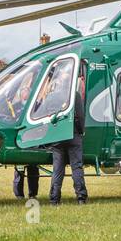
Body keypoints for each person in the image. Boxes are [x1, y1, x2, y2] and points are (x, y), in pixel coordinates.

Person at [49, 66, 88, 205]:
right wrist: (80, 131)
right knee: (76, 167)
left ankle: (54, 198)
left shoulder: (52, 96)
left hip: (58, 137)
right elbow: (80, 116)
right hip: (73, 135)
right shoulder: (75, 95)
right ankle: (81, 197)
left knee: (57, 169)